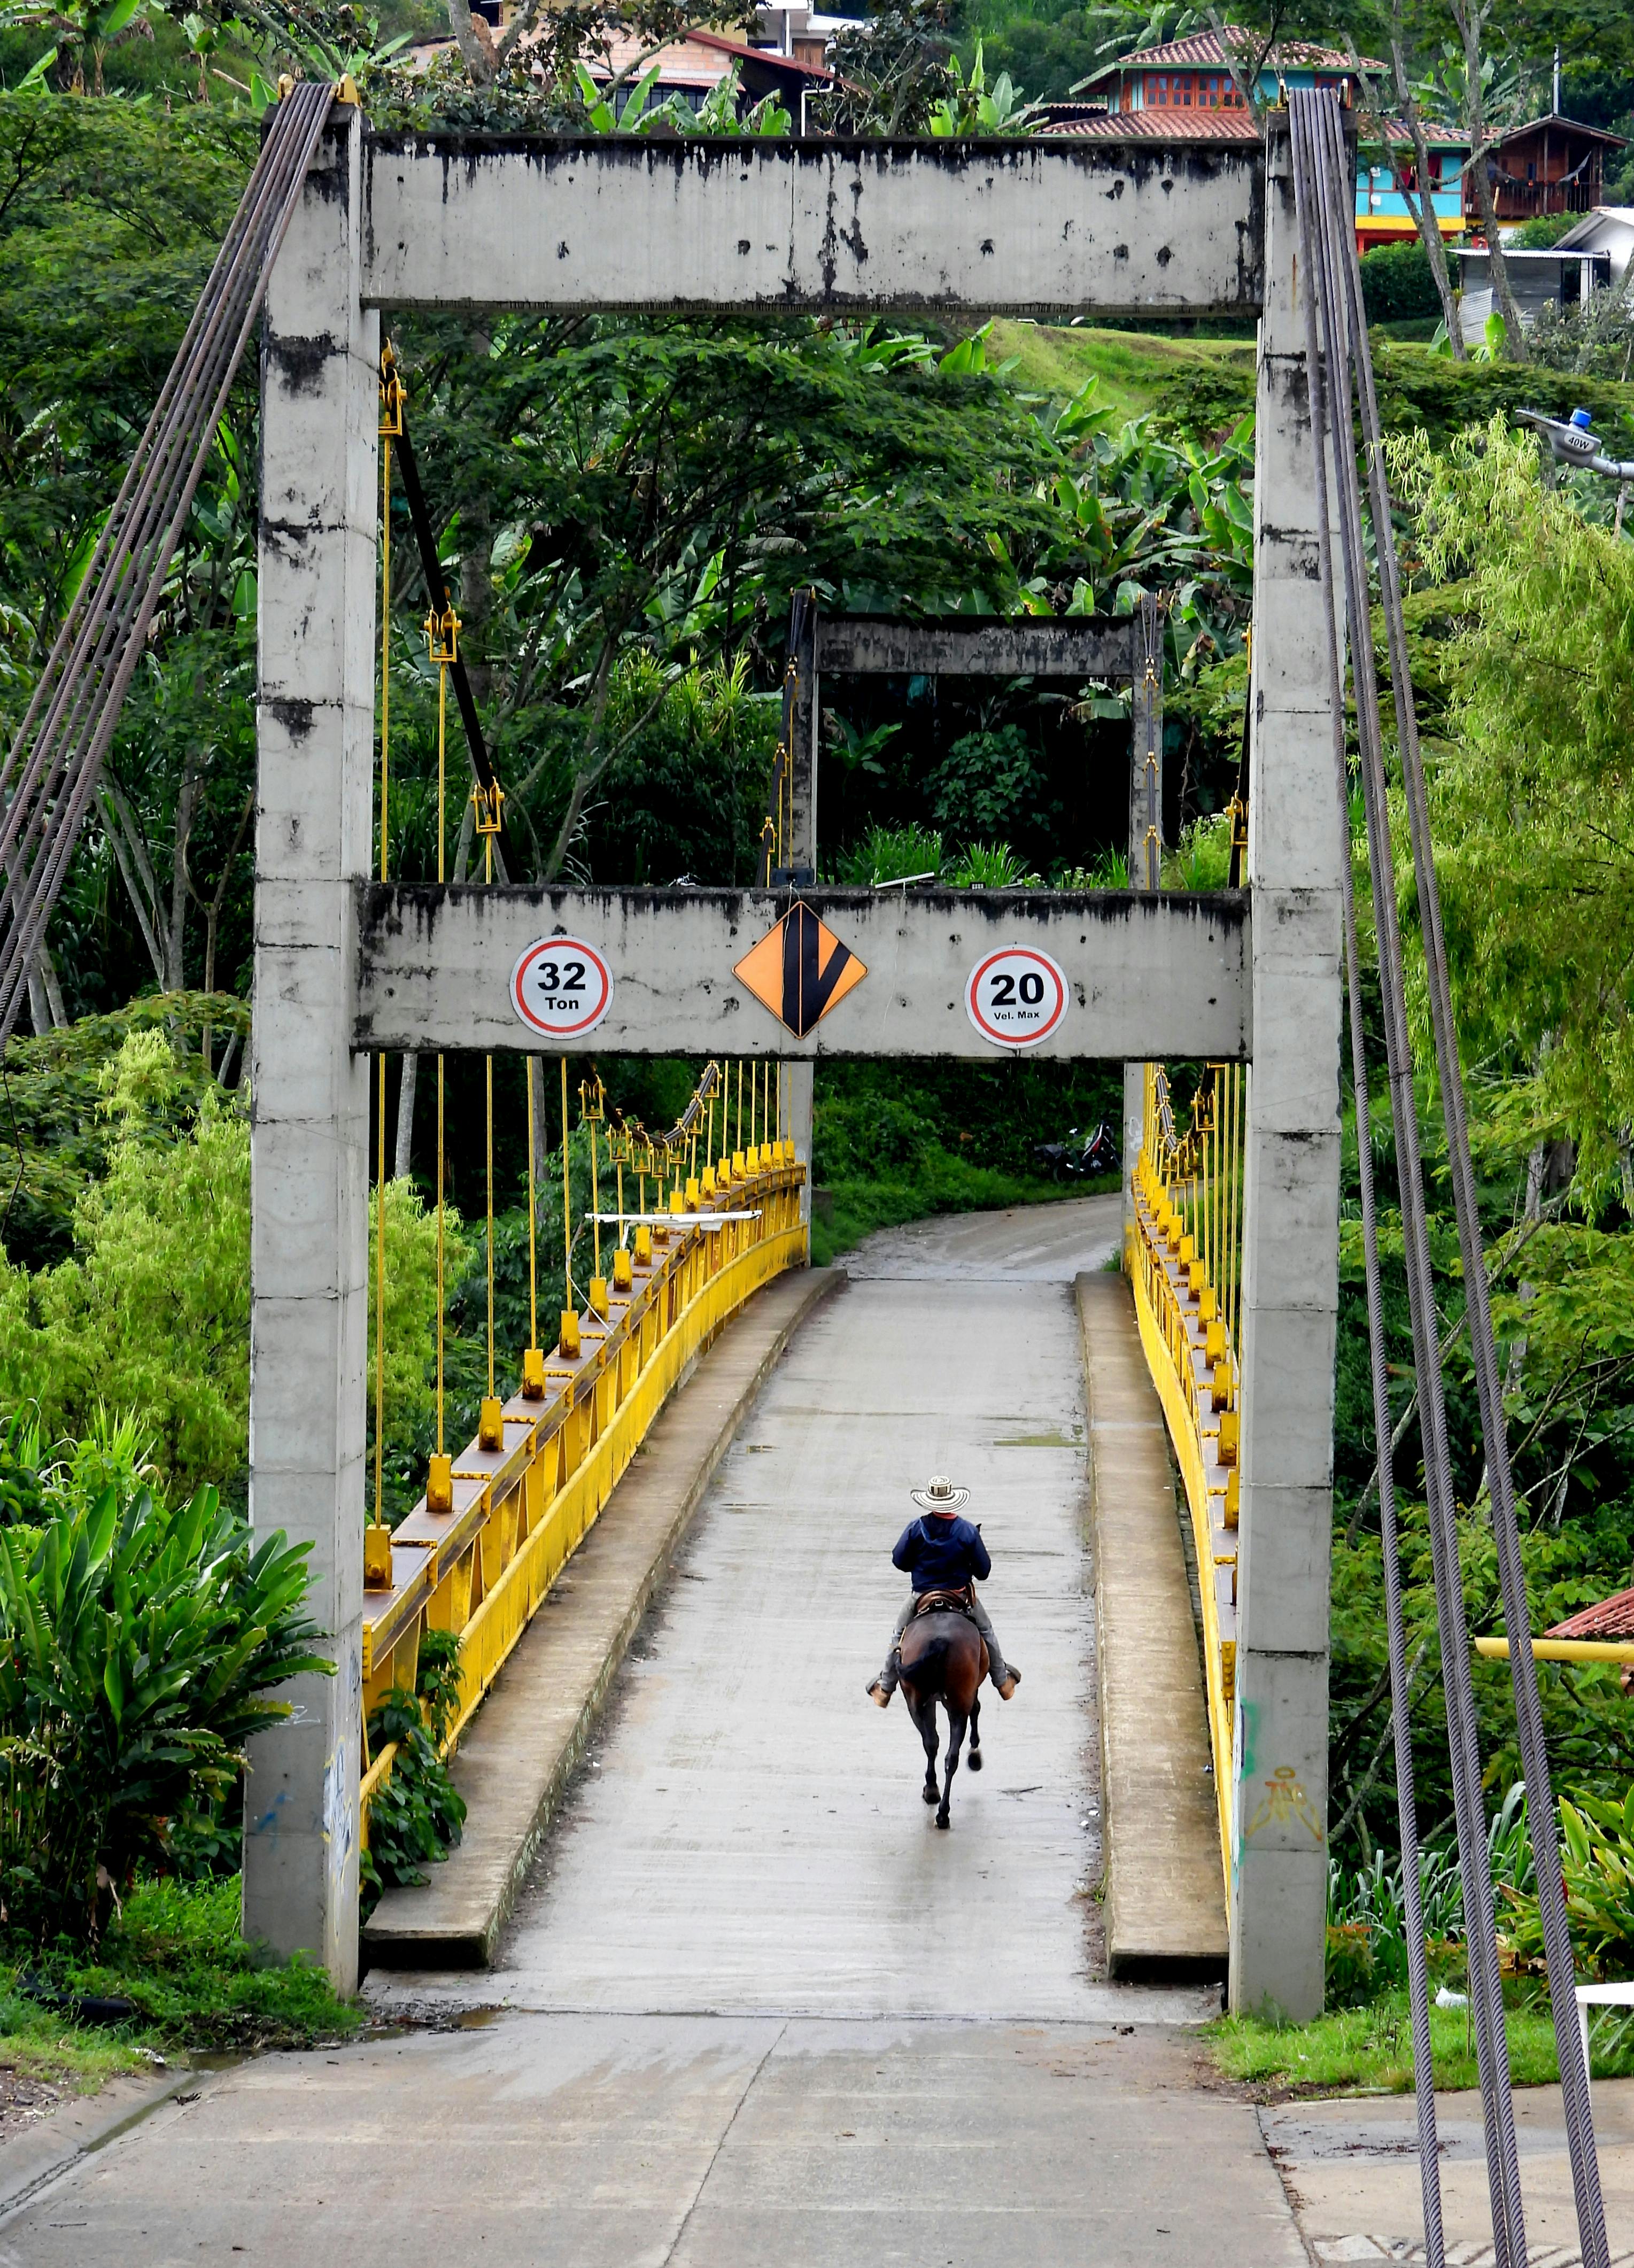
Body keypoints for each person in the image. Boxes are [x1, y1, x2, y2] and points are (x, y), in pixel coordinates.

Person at [866, 1474, 1020, 1707]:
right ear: (953, 1501)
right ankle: (1002, 1683)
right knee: (987, 1632)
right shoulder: (968, 1531)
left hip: (922, 1596)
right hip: (960, 1596)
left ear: (929, 1502)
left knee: (898, 1635)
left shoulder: (915, 1529)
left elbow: (899, 1561)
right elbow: (984, 1571)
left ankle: (886, 1689)